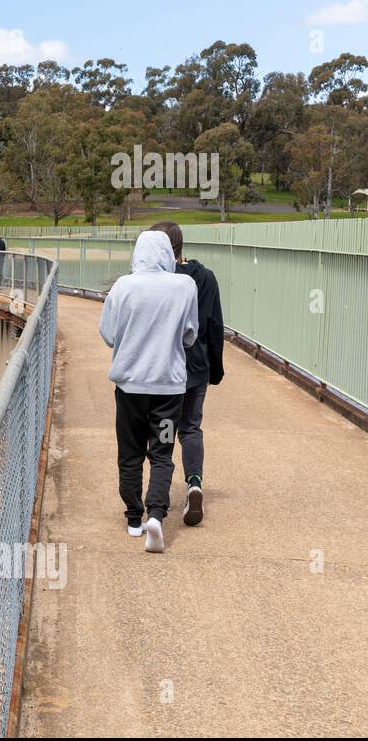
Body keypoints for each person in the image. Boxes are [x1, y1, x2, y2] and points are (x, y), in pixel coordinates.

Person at [99, 229, 199, 553]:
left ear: (138, 253)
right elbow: (189, 336)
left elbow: (109, 335)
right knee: (162, 453)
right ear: (169, 255)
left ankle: (133, 519)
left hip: (130, 388)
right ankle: (156, 515)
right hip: (169, 390)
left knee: (129, 453)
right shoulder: (185, 286)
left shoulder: (123, 286)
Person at [150, 221, 225, 527]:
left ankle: (160, 498)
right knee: (191, 427)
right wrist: (215, 369)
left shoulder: (157, 280)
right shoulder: (206, 278)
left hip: (168, 367)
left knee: (166, 427)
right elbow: (215, 326)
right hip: (197, 366)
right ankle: (194, 482)